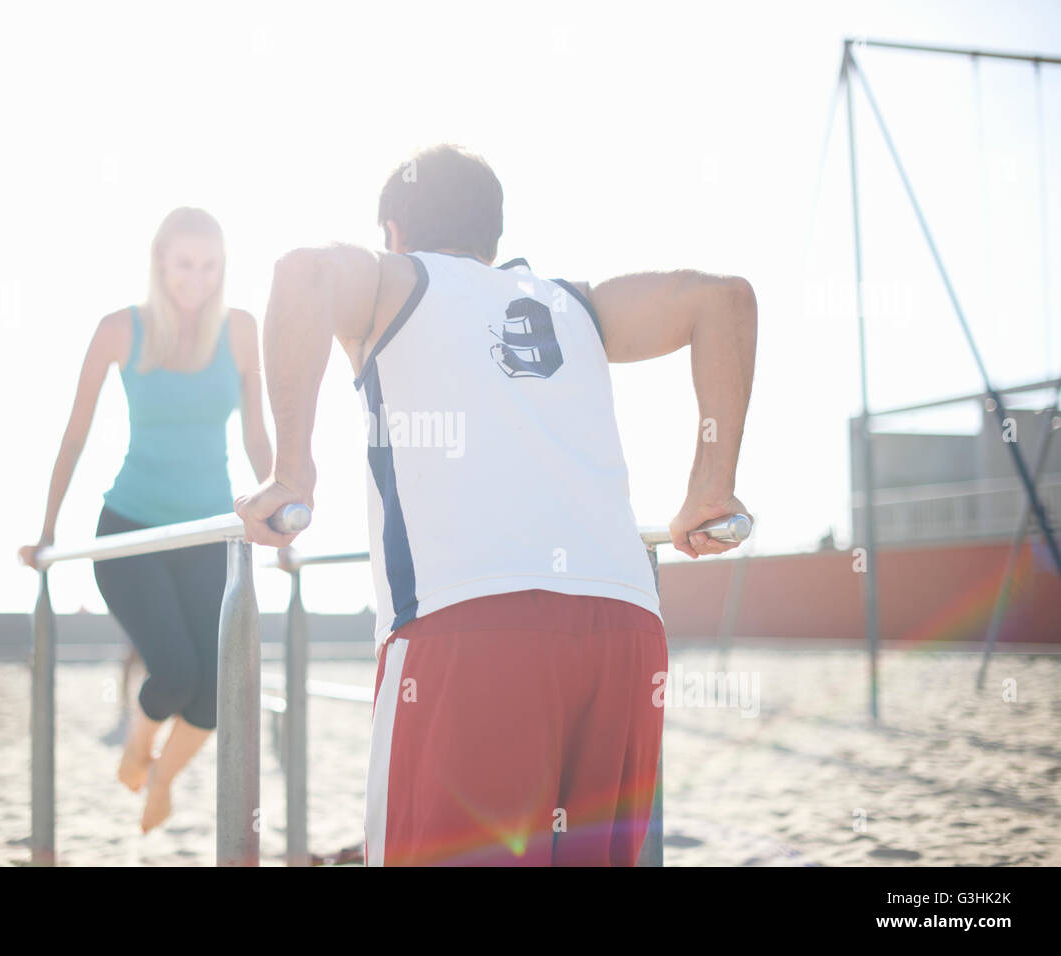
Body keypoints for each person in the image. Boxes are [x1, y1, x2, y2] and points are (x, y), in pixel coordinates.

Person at [235, 144, 756, 866]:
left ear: (393, 228)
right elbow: (725, 298)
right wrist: (710, 485)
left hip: (468, 625)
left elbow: (304, 271)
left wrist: (290, 470)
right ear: (495, 236)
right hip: (625, 626)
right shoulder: (575, 304)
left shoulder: (396, 281)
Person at [19, 207, 276, 833]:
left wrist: (280, 513)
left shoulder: (240, 330)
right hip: (130, 530)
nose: (197, 277)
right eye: (185, 263)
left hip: (208, 534)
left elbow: (256, 436)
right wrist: (48, 529)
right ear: (161, 261)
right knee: (176, 671)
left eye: (210, 265)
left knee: (216, 691)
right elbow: (76, 435)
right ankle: (138, 749)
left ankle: (160, 774)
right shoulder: (119, 329)